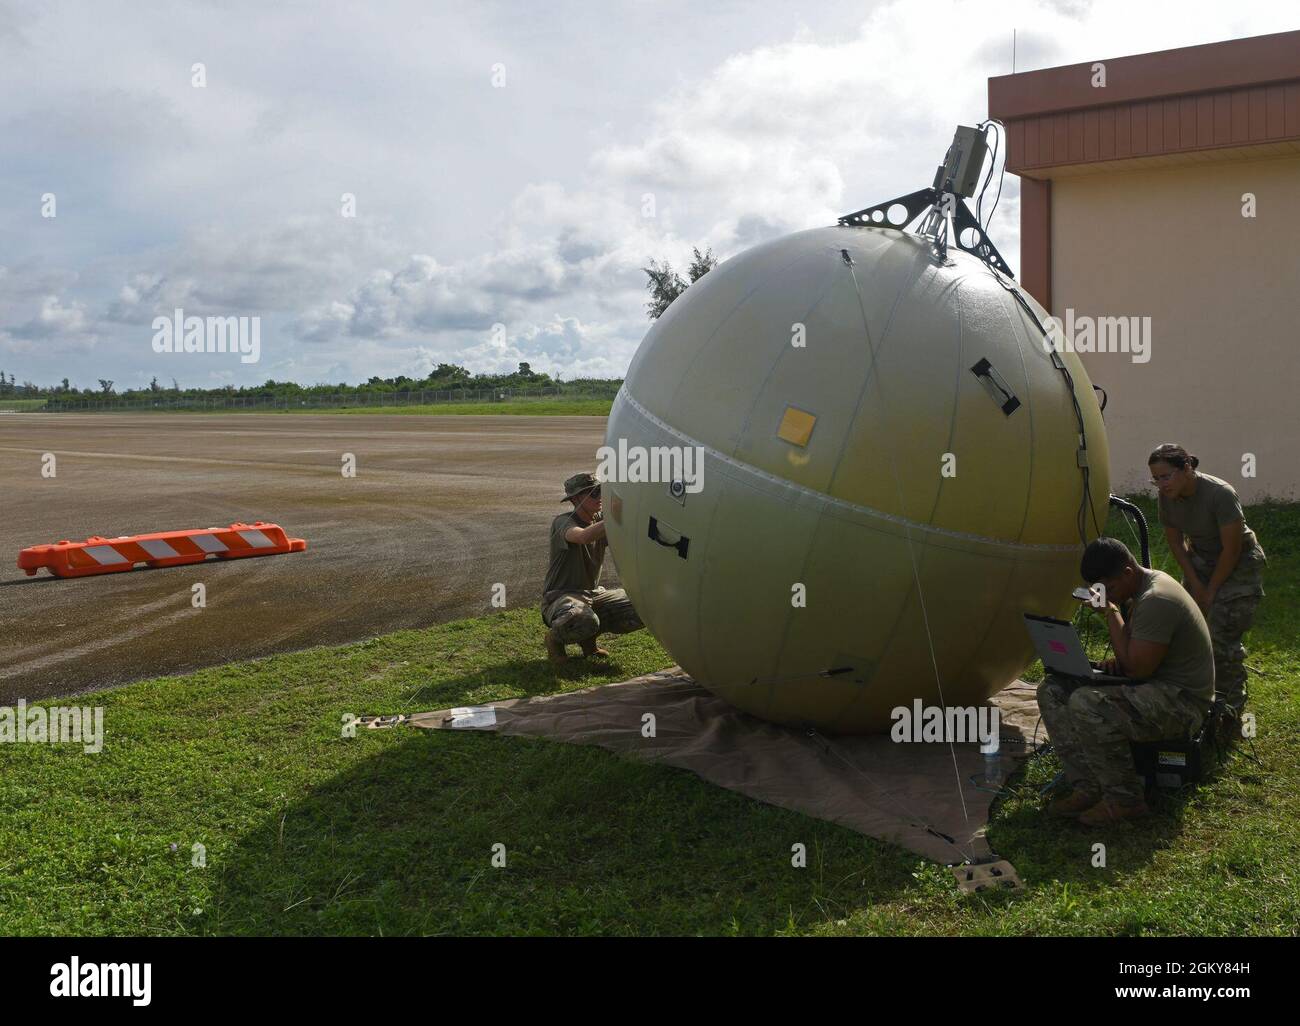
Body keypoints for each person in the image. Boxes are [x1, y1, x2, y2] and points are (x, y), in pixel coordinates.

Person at [1038, 537, 1215, 825]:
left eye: (1109, 589)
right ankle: (1088, 786)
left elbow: (1137, 669)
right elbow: (1135, 657)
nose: (1107, 596)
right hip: (1155, 684)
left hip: (1182, 703)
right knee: (1053, 690)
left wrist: (1111, 612)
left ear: (1128, 573)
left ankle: (1125, 801)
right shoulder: (1139, 590)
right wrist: (1117, 660)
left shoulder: (1157, 599)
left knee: (1087, 703)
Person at [1149, 443, 1265, 719]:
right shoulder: (1167, 496)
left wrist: (1211, 591)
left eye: (1166, 476)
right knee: (1188, 631)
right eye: (1156, 479)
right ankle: (1196, 697)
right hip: (1201, 560)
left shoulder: (1219, 493)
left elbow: (1232, 550)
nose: (1161, 484)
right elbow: (1176, 543)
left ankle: (1230, 710)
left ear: (1187, 468)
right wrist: (1196, 585)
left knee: (1221, 638)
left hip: (1239, 564)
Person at [540, 472, 643, 665]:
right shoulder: (563, 522)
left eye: (601, 491)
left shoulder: (601, 519)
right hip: (561, 597)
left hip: (592, 594)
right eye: (593, 493)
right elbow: (582, 537)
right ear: (576, 499)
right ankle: (554, 639)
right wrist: (614, 517)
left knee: (643, 606)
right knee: (583, 618)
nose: (600, 496)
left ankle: (589, 644)